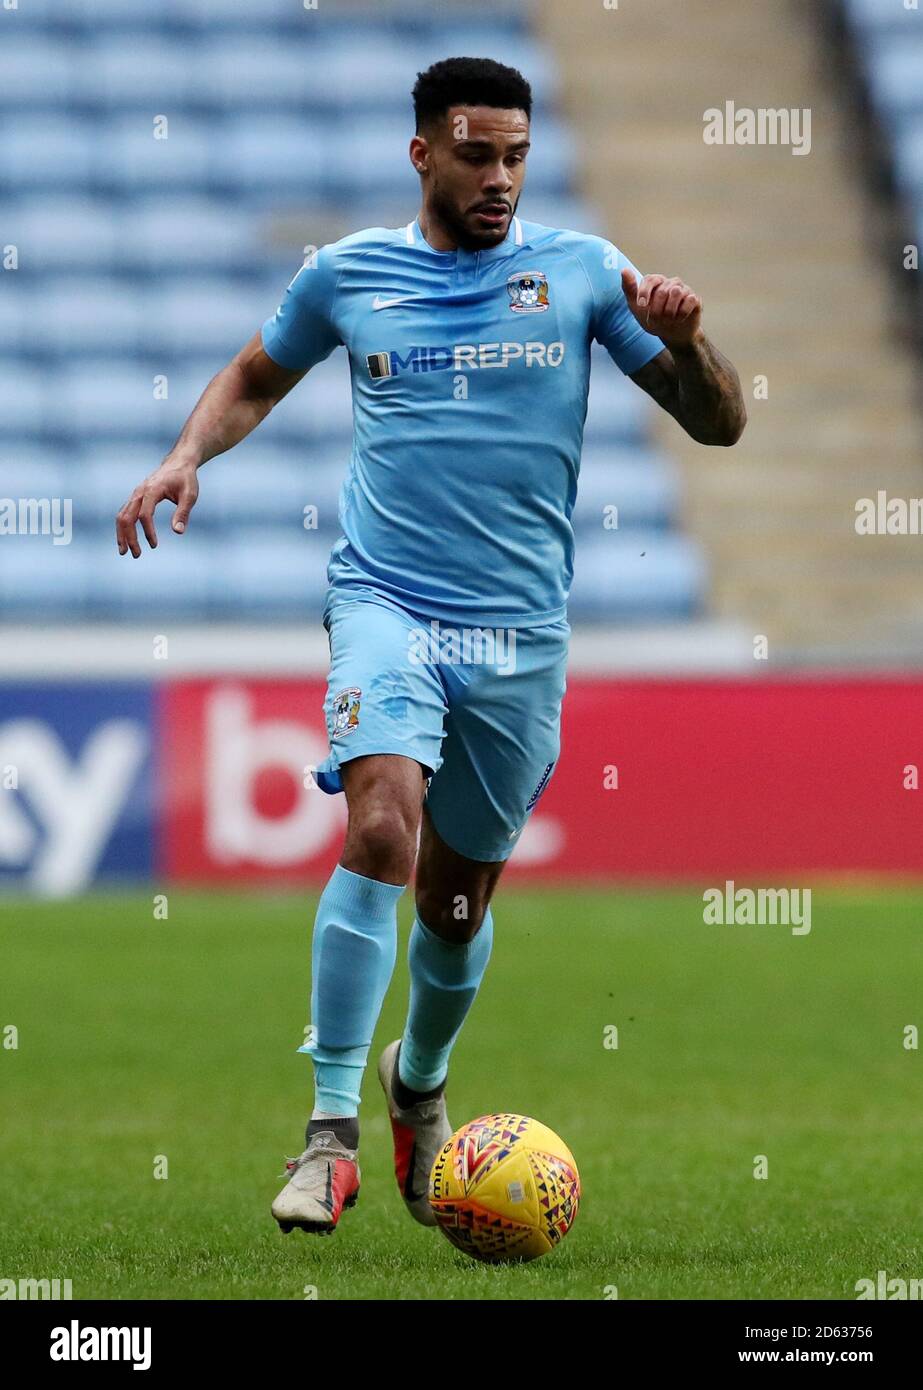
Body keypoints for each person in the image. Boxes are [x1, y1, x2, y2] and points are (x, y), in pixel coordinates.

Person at [115, 56, 746, 1236]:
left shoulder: (581, 273)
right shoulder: (347, 274)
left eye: (514, 155)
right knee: (378, 825)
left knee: (454, 909)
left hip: (519, 634)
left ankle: (419, 1084)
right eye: (475, 154)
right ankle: (328, 1136)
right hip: (385, 602)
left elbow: (718, 425)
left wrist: (694, 341)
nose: (499, 177)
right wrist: (186, 453)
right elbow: (258, 371)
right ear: (423, 154)